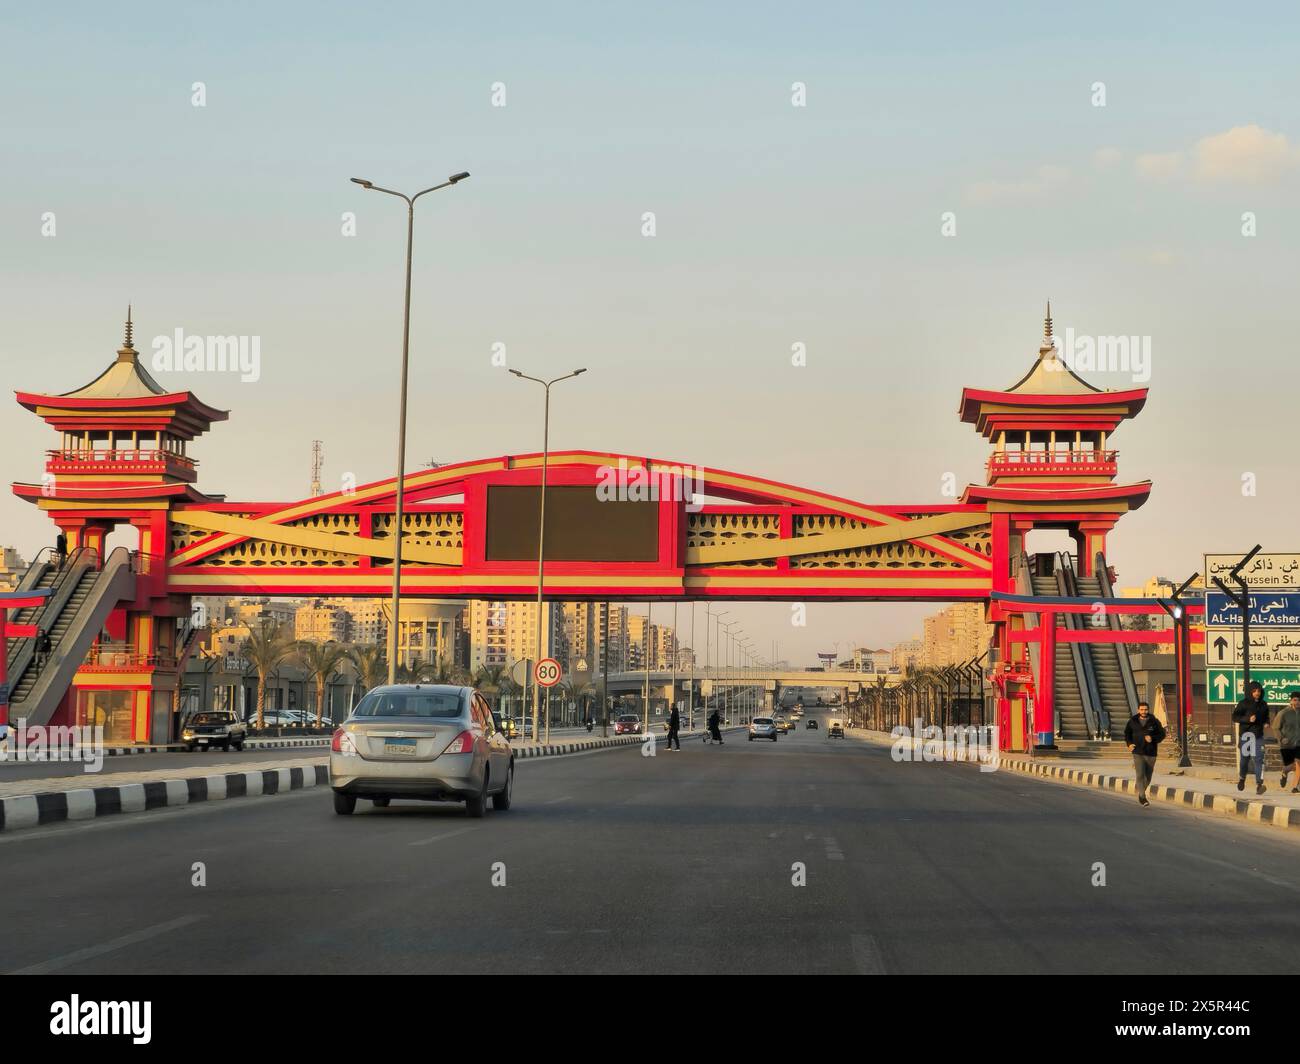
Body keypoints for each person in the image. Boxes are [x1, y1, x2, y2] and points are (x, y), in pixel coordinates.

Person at [1124, 699, 1166, 807]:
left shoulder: (1154, 721)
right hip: (1137, 752)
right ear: (1138, 710)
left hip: (1151, 752)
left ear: (1148, 710)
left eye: (1146, 709)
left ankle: (1141, 794)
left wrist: (1153, 738)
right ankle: (1142, 797)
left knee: (1148, 776)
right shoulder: (1132, 721)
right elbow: (1127, 733)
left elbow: (1162, 734)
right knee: (1140, 774)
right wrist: (1129, 744)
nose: (1144, 711)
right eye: (1142, 709)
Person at [1232, 680, 1270, 795]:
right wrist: (1248, 719)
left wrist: (1266, 722)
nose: (1257, 693)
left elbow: (1266, 716)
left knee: (1259, 759)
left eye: (1258, 691)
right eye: (1254, 691)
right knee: (1245, 760)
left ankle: (1259, 784)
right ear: (1250, 692)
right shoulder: (1243, 703)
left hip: (1258, 735)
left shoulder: (1263, 704)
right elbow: (1235, 717)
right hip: (1246, 736)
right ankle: (1242, 778)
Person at [1275, 691, 1300, 793]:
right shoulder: (1283, 713)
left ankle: (1295, 787)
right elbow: (1275, 728)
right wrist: (1281, 738)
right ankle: (1285, 771)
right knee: (1293, 766)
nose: (1297, 702)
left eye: (1299, 700)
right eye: (1295, 700)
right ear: (1290, 701)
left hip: (1299, 743)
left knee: (1299, 764)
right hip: (1287, 744)